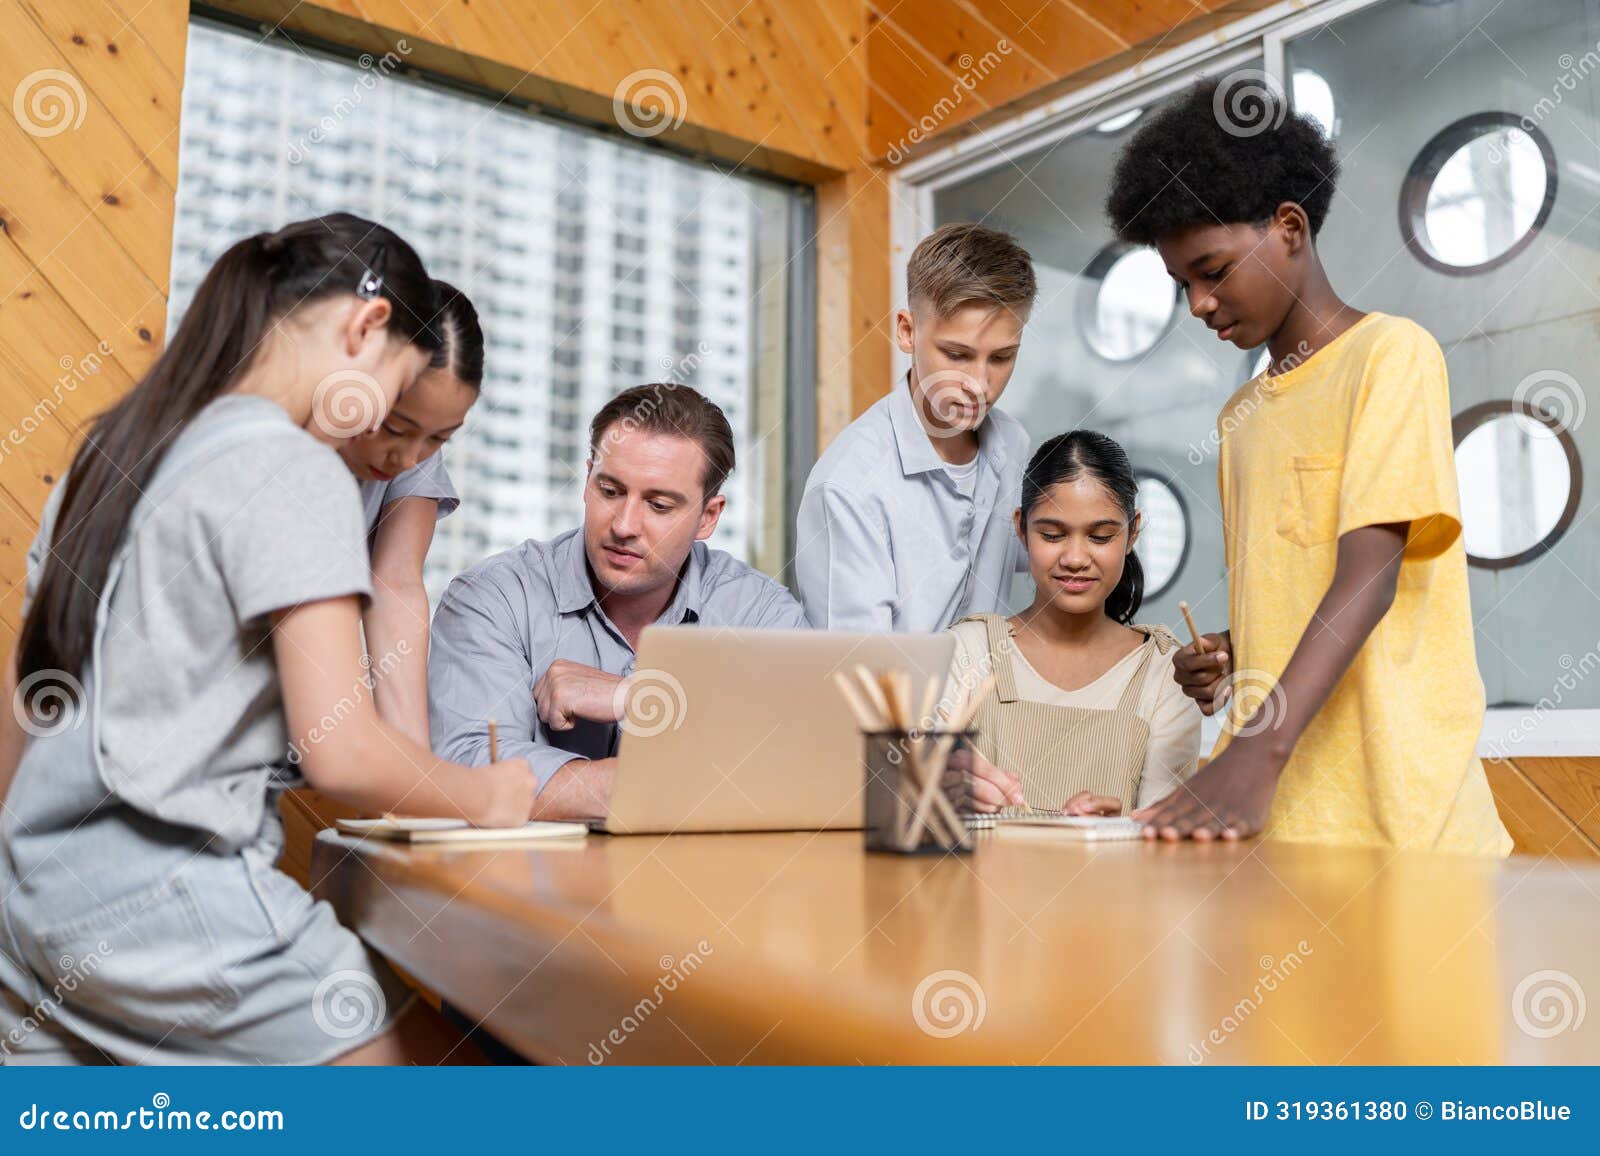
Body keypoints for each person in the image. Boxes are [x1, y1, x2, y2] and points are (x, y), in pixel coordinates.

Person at [0, 215, 537, 1066]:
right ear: (365, 329)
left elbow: (28, 689)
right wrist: (491, 797)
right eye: (396, 395)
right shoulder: (294, 469)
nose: (397, 453)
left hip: (30, 899)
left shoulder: (114, 446)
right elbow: (343, 752)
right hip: (174, 909)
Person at [1104, 78, 1511, 855]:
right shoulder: (1240, 419)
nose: (1197, 304)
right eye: (1181, 284)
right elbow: (1297, 584)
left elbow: (1370, 574)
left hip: (1406, 825)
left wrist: (1254, 751)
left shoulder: (1390, 357)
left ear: (1289, 228)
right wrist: (1237, 648)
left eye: (1213, 270)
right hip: (1287, 826)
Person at [428, 383, 807, 820]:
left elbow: (802, 767)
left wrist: (636, 699)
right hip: (527, 883)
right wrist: (702, 775)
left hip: (704, 882)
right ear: (587, 479)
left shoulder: (760, 615)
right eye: (609, 491)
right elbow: (466, 775)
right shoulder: (491, 599)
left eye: (659, 505)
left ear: (708, 516)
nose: (624, 525)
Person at [795, 222, 1035, 632]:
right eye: (957, 354)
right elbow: (862, 678)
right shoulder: (847, 486)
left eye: (1001, 358)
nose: (979, 384)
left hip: (991, 696)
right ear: (907, 331)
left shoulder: (1012, 442)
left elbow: (1039, 560)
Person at [950, 432, 1200, 816]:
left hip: (1113, 878)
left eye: (1101, 537)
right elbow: (908, 805)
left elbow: (1167, 845)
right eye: (1052, 535)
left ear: (1133, 533)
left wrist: (1122, 828)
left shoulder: (1167, 672)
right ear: (1021, 529)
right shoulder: (970, 650)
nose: (1075, 558)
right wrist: (939, 789)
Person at [338, 280, 482, 746]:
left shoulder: (412, 447)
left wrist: (415, 764)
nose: (409, 458)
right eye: (397, 427)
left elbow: (395, 584)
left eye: (440, 438)